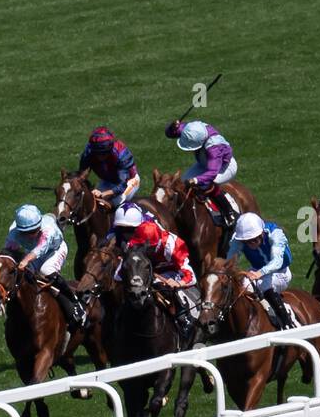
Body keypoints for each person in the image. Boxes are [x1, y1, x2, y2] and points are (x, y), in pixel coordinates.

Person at [110, 203, 199, 343]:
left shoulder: (172, 245)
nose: (145, 251)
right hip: (146, 274)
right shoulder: (134, 245)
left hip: (171, 274)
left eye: (149, 248)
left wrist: (177, 283)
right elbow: (117, 275)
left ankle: (185, 326)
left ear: (157, 242)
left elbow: (191, 276)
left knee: (176, 295)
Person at [3, 204, 87, 327]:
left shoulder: (48, 230)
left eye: (35, 230)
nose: (32, 235)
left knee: (46, 271)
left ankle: (74, 302)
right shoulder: (13, 232)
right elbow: (7, 251)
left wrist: (25, 261)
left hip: (54, 249)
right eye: (27, 232)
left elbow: (39, 250)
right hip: (33, 252)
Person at [225, 212, 297, 329]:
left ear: (262, 233)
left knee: (264, 284)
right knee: (241, 287)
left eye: (253, 240)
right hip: (256, 270)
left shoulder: (275, 234)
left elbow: (277, 262)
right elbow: (230, 260)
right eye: (246, 241)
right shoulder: (237, 239)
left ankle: (287, 322)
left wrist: (259, 273)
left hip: (280, 272)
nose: (250, 244)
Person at [164, 119, 239, 225]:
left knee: (206, 184)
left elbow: (212, 173)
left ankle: (228, 212)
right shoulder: (191, 130)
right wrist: (172, 127)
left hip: (224, 167)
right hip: (204, 164)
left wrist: (195, 179)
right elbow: (169, 134)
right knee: (181, 184)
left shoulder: (214, 147)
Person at [78, 126, 140, 207]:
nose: (100, 157)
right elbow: (81, 176)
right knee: (91, 203)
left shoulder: (121, 154)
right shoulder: (88, 152)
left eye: (104, 153)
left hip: (129, 181)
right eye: (97, 153)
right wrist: (91, 190)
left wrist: (104, 194)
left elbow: (122, 185)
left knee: (113, 201)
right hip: (107, 181)